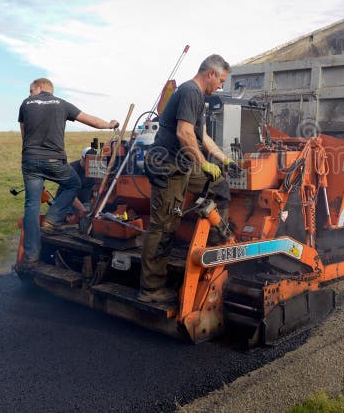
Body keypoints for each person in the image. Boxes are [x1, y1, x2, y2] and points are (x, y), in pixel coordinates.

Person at [139, 54, 241, 304]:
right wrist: (204, 164)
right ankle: (150, 289)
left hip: (184, 164)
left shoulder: (200, 100)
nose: (221, 87)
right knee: (164, 225)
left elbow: (201, 137)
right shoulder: (190, 92)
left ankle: (216, 247)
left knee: (220, 187)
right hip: (168, 166)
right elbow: (184, 133)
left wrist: (222, 159)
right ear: (210, 74)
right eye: (221, 81)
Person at [18, 78, 118, 269]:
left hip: (29, 160)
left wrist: (32, 154)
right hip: (53, 160)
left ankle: (31, 258)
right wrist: (109, 124)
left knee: (31, 206)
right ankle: (53, 220)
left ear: (41, 88)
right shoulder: (62, 104)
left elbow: (24, 134)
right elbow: (90, 120)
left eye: (31, 90)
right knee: (73, 183)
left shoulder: (25, 104)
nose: (30, 94)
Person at [69, 146, 96, 217]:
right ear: (82, 158)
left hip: (86, 203)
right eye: (88, 162)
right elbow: (69, 194)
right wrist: (82, 209)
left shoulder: (95, 170)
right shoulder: (71, 169)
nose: (90, 165)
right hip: (69, 203)